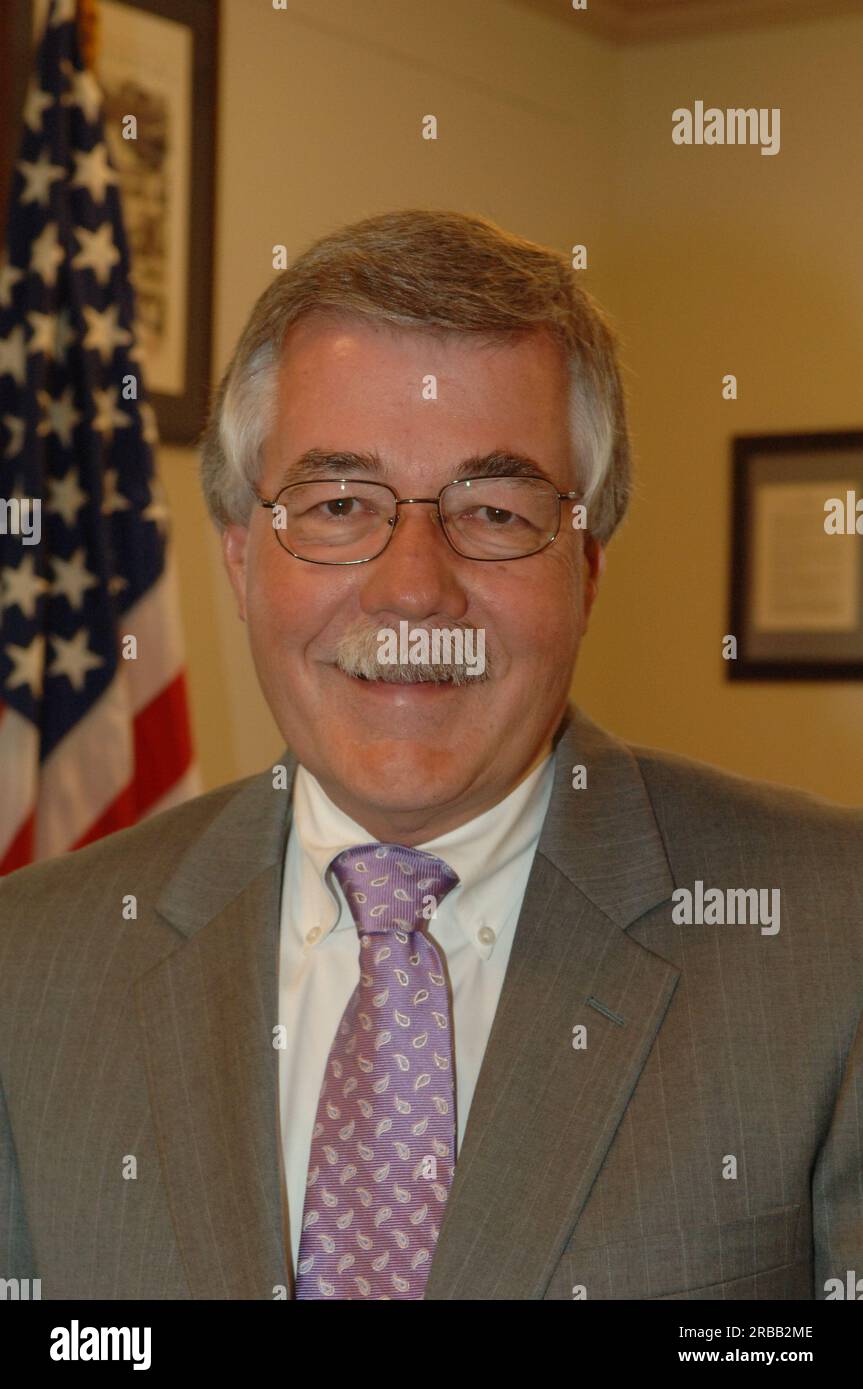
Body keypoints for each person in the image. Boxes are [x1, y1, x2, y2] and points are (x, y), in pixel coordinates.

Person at [0, 209, 860, 1301]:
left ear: (584, 571)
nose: (413, 589)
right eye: (339, 504)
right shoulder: (28, 970)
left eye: (493, 510)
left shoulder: (832, 944)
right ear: (239, 562)